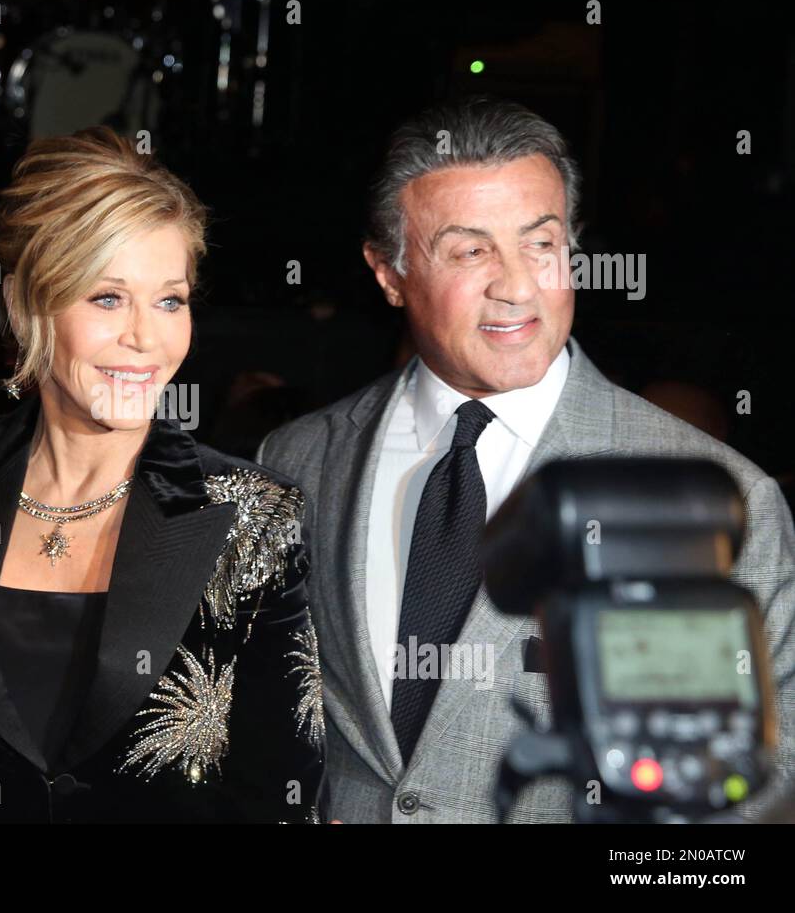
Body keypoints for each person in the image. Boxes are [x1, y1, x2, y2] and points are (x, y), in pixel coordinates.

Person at [259, 95, 795, 823]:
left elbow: (754, 797)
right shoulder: (297, 460)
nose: (515, 285)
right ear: (388, 272)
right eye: (469, 250)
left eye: (541, 244)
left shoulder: (718, 495)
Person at [0, 127, 324, 822]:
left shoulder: (255, 518)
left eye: (171, 300)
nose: (146, 338)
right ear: (30, 304)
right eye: (108, 298)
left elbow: (279, 797)